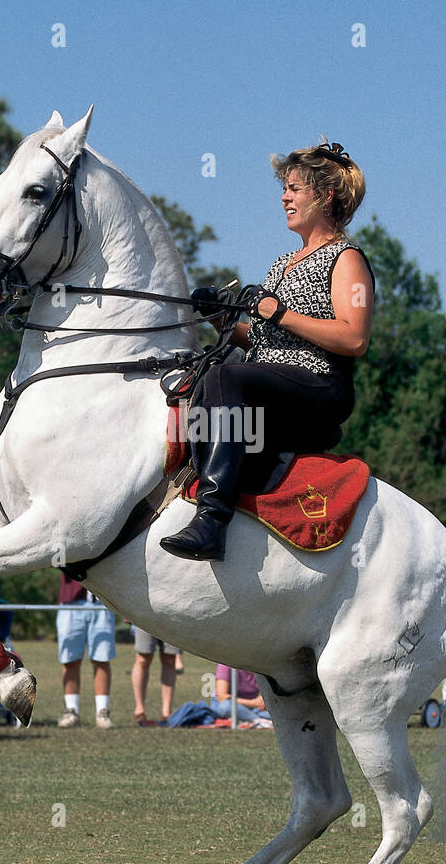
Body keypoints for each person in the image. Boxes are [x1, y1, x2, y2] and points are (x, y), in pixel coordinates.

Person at [160, 139, 373, 562]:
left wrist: (278, 313)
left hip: (321, 387)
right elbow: (262, 341)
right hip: (273, 381)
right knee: (204, 374)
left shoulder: (346, 258)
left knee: (225, 376)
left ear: (325, 195)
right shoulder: (283, 263)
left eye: (295, 188)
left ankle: (212, 518)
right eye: (285, 189)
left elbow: (354, 338)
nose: (284, 197)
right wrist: (219, 319)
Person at [55, 573, 115, 729]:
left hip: (103, 602)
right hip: (71, 603)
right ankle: (71, 711)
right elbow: (55, 559)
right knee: (70, 659)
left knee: (102, 659)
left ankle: (102, 712)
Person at [131, 628, 180, 726]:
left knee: (170, 659)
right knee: (143, 659)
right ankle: (139, 711)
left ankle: (166, 713)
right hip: (145, 616)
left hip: (173, 617)